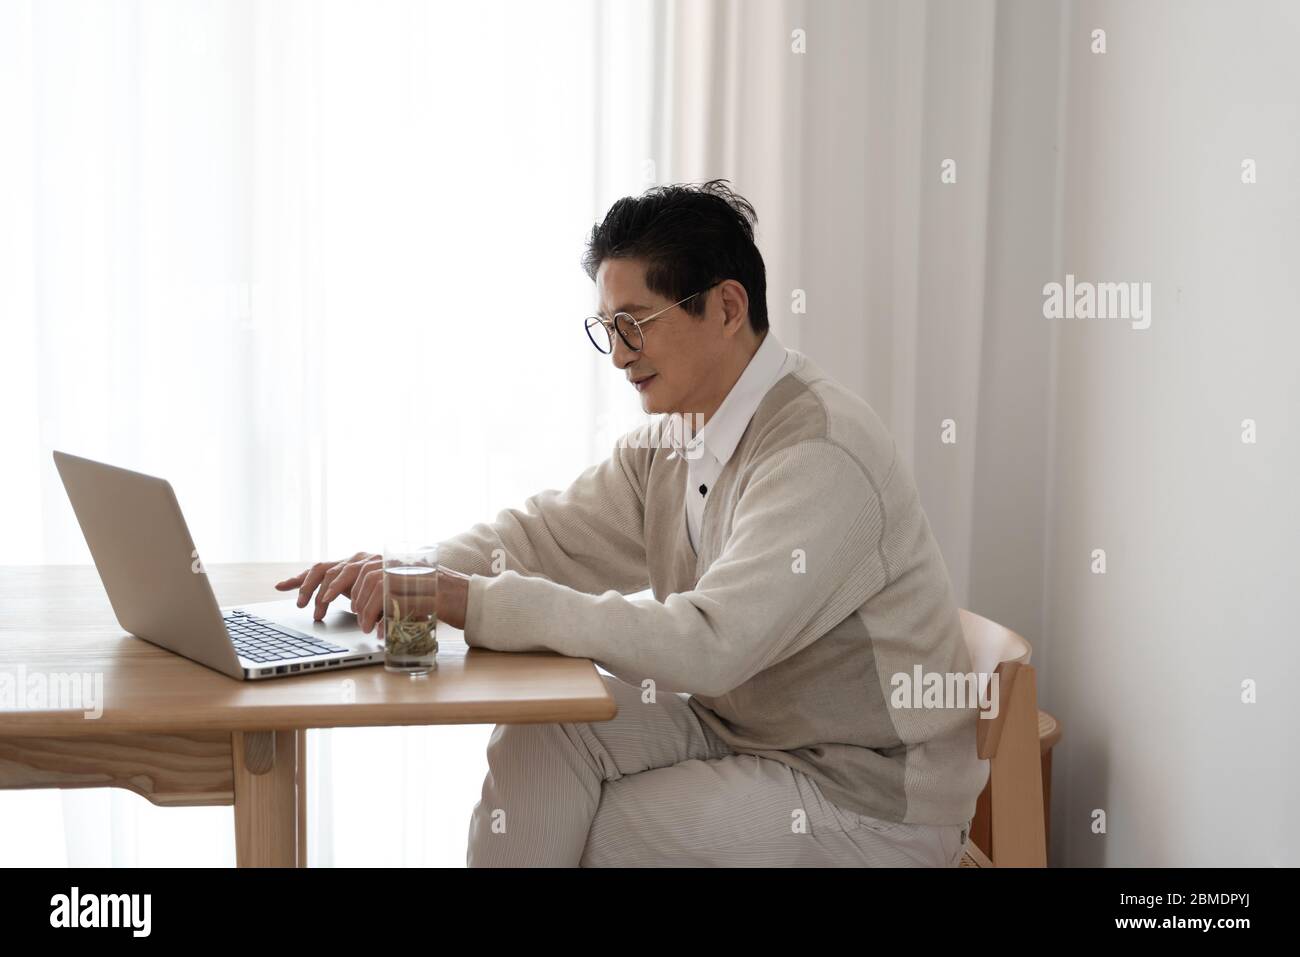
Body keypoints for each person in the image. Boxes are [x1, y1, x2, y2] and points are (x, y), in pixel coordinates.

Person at [277, 179, 986, 867]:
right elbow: (541, 540)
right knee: (545, 730)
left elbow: (710, 645)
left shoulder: (818, 450)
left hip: (863, 793)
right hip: (740, 730)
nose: (617, 355)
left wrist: (468, 599)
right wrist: (403, 574)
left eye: (634, 324)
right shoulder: (672, 440)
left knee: (599, 836)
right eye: (606, 329)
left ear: (727, 306)